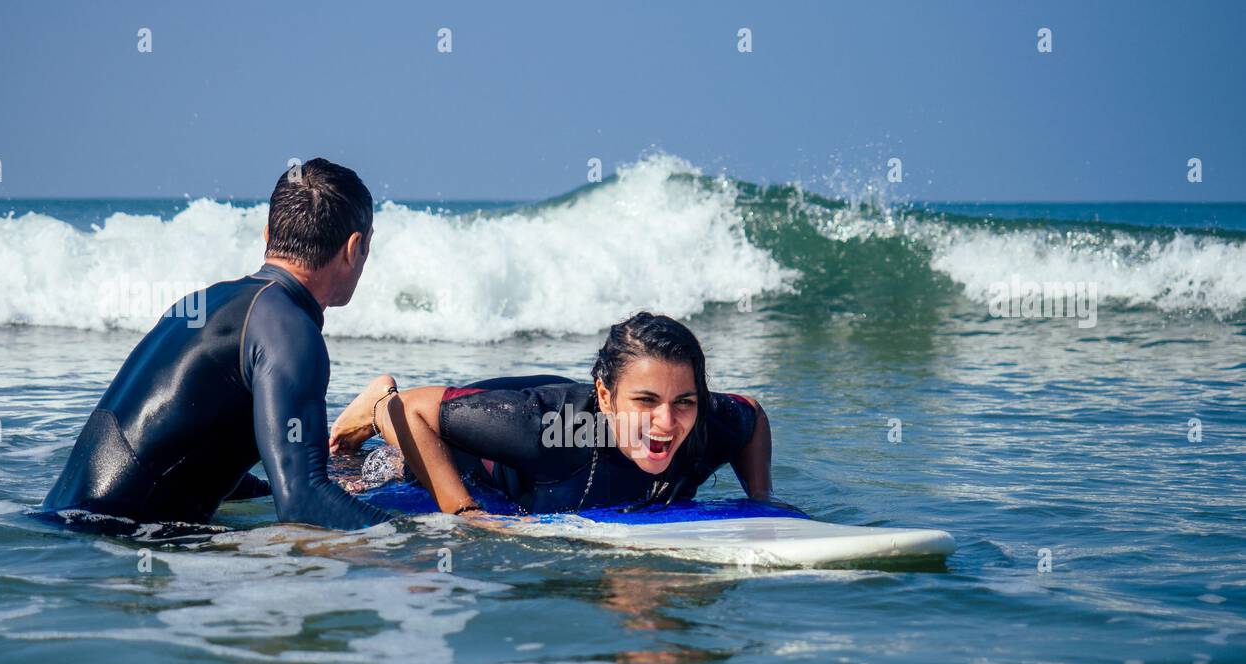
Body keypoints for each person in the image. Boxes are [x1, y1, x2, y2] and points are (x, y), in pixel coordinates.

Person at [41, 158, 387, 531]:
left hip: (61, 529)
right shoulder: (291, 331)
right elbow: (304, 506)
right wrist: (420, 542)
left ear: (268, 235)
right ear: (354, 248)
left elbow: (187, 455)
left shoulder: (203, 303)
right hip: (116, 547)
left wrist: (279, 489)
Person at [330, 312, 774, 515]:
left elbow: (752, 415)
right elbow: (410, 411)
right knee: (388, 463)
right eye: (645, 401)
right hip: (493, 421)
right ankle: (371, 401)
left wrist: (760, 502)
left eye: (685, 401)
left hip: (545, 398)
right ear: (605, 396)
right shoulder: (552, 432)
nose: (666, 421)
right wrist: (465, 513)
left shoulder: (705, 425)